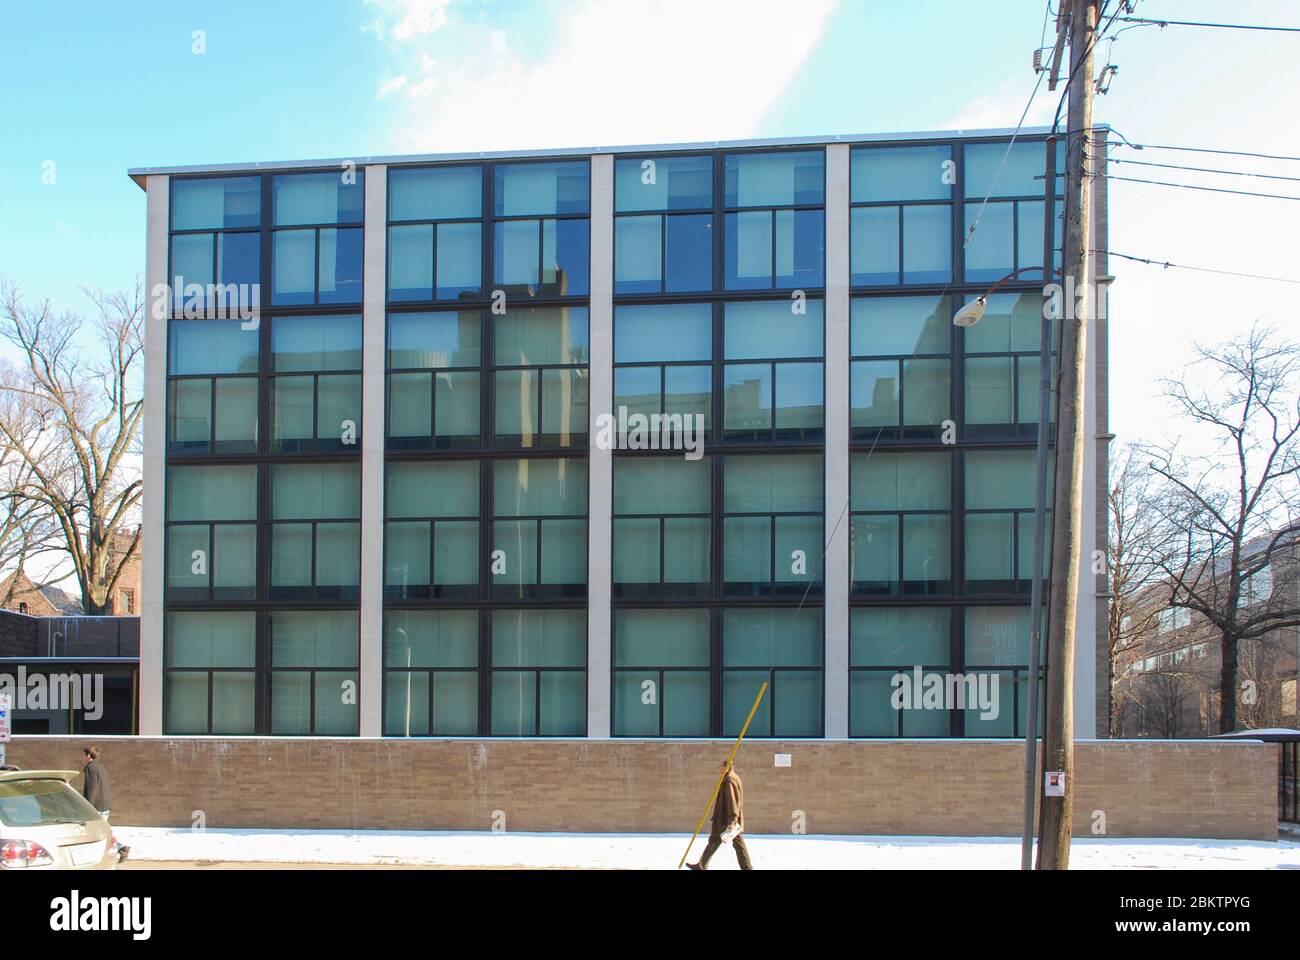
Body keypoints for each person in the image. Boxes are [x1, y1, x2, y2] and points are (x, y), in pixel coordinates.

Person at [687, 758, 752, 870]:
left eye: (720, 766)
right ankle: (701, 864)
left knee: (737, 844)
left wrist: (731, 821)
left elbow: (732, 802)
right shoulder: (733, 777)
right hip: (727, 819)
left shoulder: (729, 780)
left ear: (726, 767)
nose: (718, 768)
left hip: (726, 820)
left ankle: (747, 868)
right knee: (715, 840)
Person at [81, 746, 128, 861]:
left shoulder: (90, 768)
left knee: (96, 832)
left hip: (96, 807)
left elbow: (92, 788)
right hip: (105, 805)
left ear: (88, 756)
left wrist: (88, 807)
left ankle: (119, 848)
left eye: (84, 755)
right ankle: (119, 848)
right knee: (102, 831)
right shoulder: (101, 767)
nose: (83, 758)